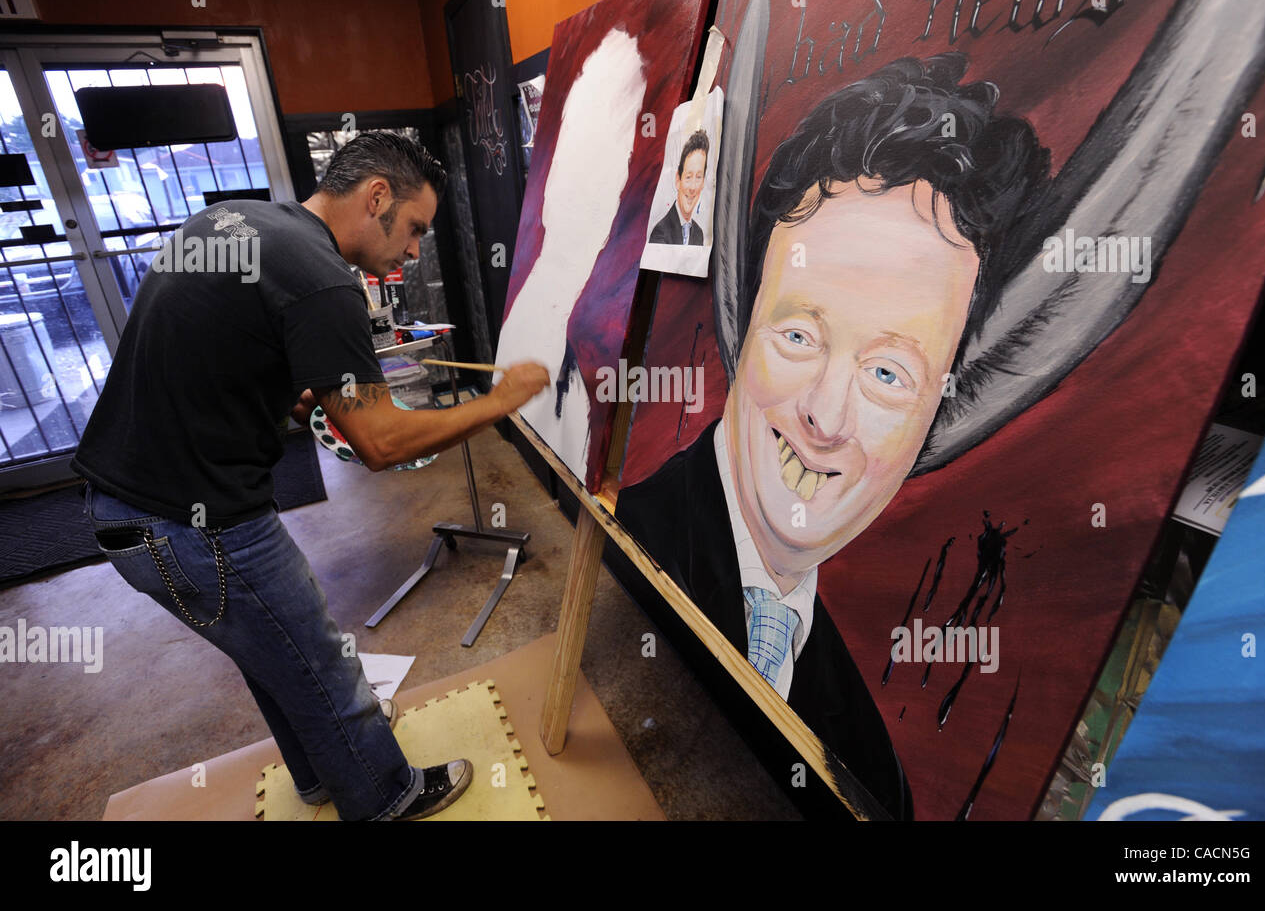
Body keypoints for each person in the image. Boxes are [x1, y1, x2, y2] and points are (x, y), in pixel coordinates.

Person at [617, 54, 1050, 820]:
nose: (825, 414)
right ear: (741, 318)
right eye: (798, 334)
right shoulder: (626, 568)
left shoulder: (872, 770)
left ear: (934, 417)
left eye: (888, 374)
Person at [74, 131, 551, 821]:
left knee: (269, 646)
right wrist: (497, 404)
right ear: (376, 196)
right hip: (190, 521)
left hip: (121, 507)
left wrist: (280, 394)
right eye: (414, 228)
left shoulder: (243, 220)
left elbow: (210, 354)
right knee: (320, 657)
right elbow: (380, 442)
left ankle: (318, 774)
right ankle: (386, 795)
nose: (414, 250)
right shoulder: (323, 277)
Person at [648, 129, 709, 246]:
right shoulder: (660, 233)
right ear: (678, 180)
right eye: (688, 177)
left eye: (698, 177)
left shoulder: (698, 234)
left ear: (703, 183)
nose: (692, 187)